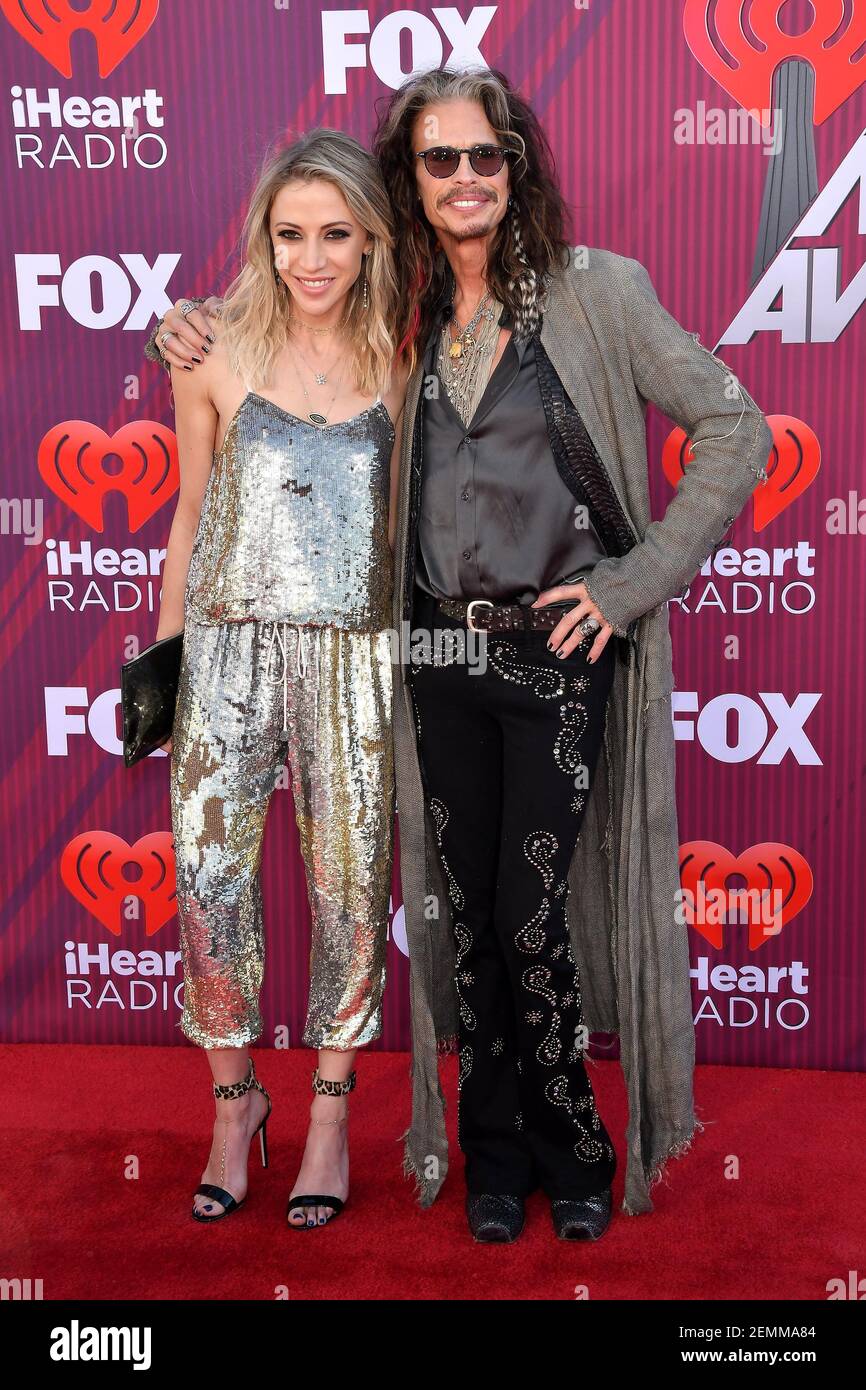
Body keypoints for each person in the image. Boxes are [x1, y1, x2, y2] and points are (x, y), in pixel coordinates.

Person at [150, 67, 773, 1244]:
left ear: (516, 164)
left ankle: (572, 1143)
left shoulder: (598, 295)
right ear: (413, 182)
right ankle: (490, 1154)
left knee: (533, 916)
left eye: (484, 155)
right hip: (430, 663)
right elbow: (280, 335)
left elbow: (734, 426)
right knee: (464, 923)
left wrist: (634, 581)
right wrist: (180, 323)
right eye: (438, 160)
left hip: (554, 658)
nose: (465, 177)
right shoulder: (408, 313)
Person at [147, 128, 407, 1229]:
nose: (311, 257)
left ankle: (330, 1118)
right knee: (210, 887)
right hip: (223, 645)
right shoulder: (207, 349)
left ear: (371, 241)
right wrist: (163, 670)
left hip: (357, 654)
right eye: (290, 232)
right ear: (263, 234)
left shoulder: (407, 351)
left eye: (336, 234)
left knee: (349, 892)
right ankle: (234, 1106)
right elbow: (191, 511)